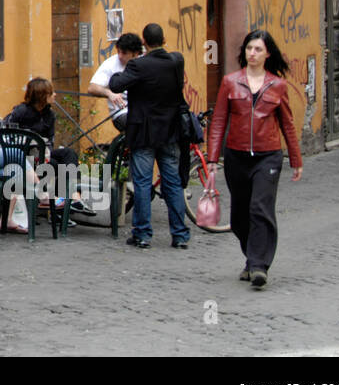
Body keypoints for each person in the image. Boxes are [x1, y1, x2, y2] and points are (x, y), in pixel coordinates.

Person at [206, 30, 303, 289]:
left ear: (267, 54)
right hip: (236, 156)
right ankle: (252, 257)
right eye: (249, 48)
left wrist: (295, 158)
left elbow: (288, 124)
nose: (252, 53)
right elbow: (219, 121)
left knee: (260, 209)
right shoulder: (230, 82)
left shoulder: (277, 85)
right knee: (239, 217)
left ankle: (259, 266)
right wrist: (213, 157)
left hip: (268, 156)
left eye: (258, 49)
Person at [108, 23, 191, 249]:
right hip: (170, 131)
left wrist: (121, 69)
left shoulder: (138, 65)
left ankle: (143, 234)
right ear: (164, 40)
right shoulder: (176, 61)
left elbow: (115, 84)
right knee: (173, 183)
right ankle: (180, 235)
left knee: (143, 183)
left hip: (144, 132)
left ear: (144, 42)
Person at [5, 77, 90, 217]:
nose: (55, 95)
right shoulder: (21, 111)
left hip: (43, 155)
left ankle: (73, 196)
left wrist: (46, 153)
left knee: (68, 154)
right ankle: (61, 208)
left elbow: (50, 141)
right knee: (58, 165)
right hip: (24, 158)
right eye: (51, 92)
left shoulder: (50, 114)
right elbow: (8, 132)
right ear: (42, 95)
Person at [88, 32, 144, 132]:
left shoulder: (144, 61)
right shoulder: (111, 64)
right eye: (118, 52)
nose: (120, 56)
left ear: (135, 53)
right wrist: (109, 93)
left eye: (124, 53)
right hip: (122, 113)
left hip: (144, 111)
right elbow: (92, 87)